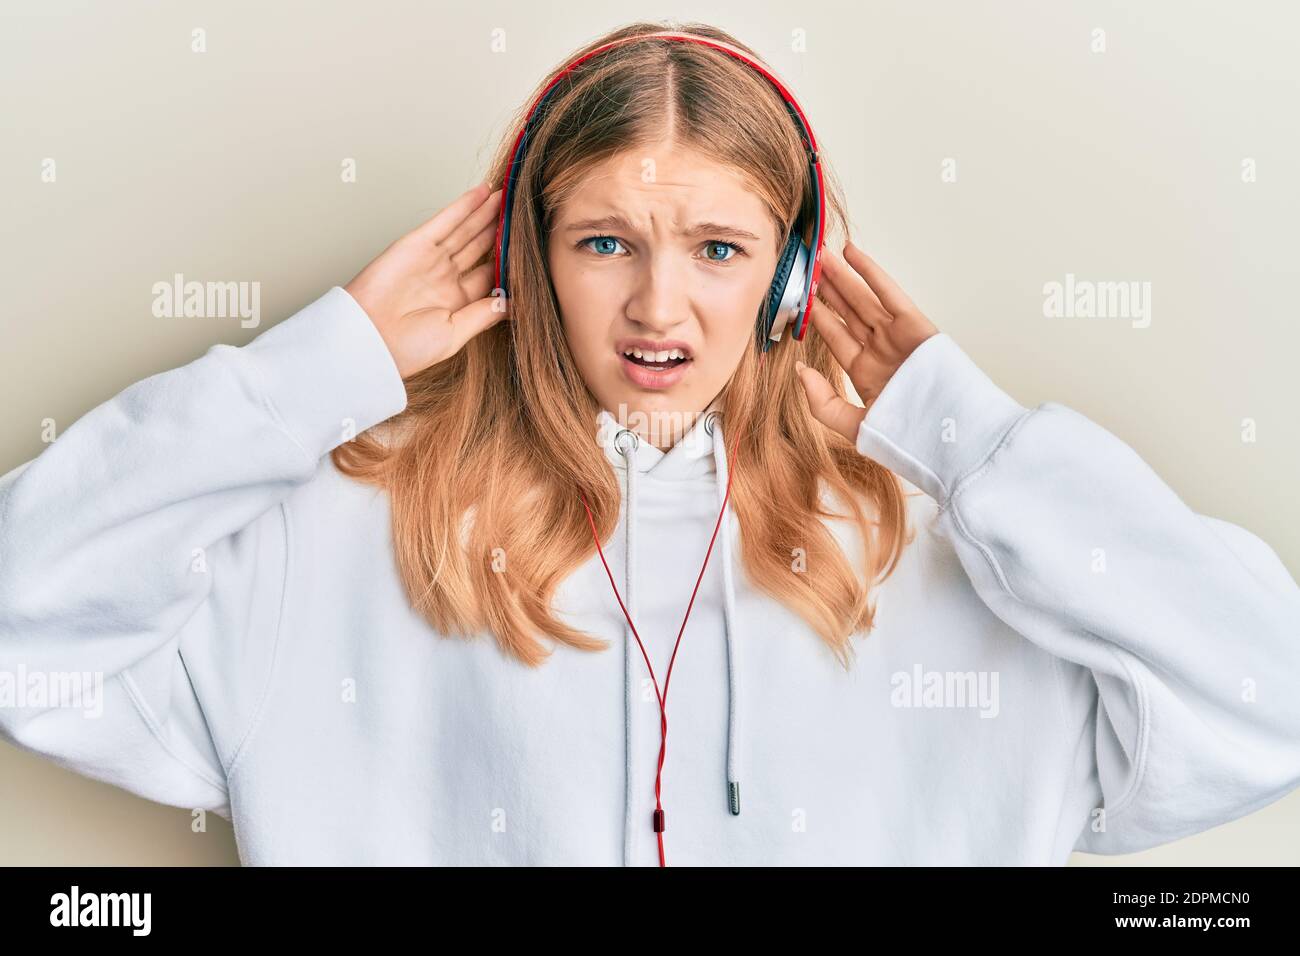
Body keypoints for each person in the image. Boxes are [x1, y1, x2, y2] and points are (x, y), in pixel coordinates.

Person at [1, 21, 1298, 867]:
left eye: (719, 250)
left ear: (792, 279)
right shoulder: (334, 538)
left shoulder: (957, 555)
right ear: (527, 257)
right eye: (605, 241)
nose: (660, 309)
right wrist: (323, 367)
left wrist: (971, 437)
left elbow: (1269, 704)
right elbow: (21, 620)